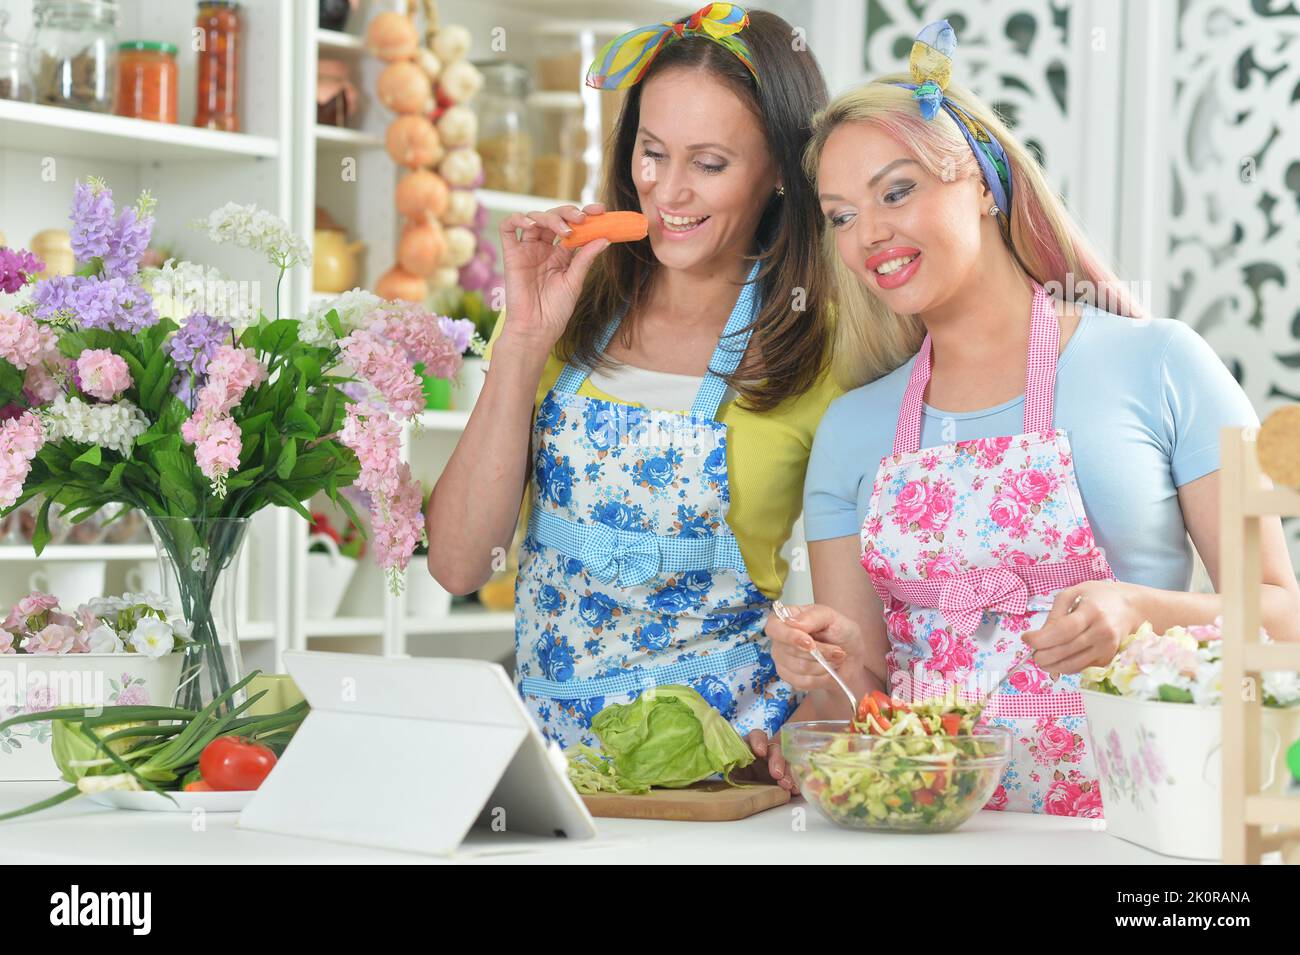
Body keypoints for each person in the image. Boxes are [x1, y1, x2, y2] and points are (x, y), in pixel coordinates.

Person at [764, 20, 1300, 813]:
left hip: (1128, 834)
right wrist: (825, 666)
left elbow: (1284, 626)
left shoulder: (1160, 364)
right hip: (930, 840)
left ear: (982, 182)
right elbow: (859, 709)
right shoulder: (852, 429)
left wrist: (1144, 609)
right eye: (840, 215)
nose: (869, 233)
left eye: (897, 189)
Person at [427, 5, 838, 782]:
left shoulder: (819, 339)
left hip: (722, 779)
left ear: (783, 168)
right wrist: (522, 340)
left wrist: (822, 715)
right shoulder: (571, 306)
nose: (667, 193)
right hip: (553, 774)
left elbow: (859, 607)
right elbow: (457, 565)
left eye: (710, 164)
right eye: (652, 153)